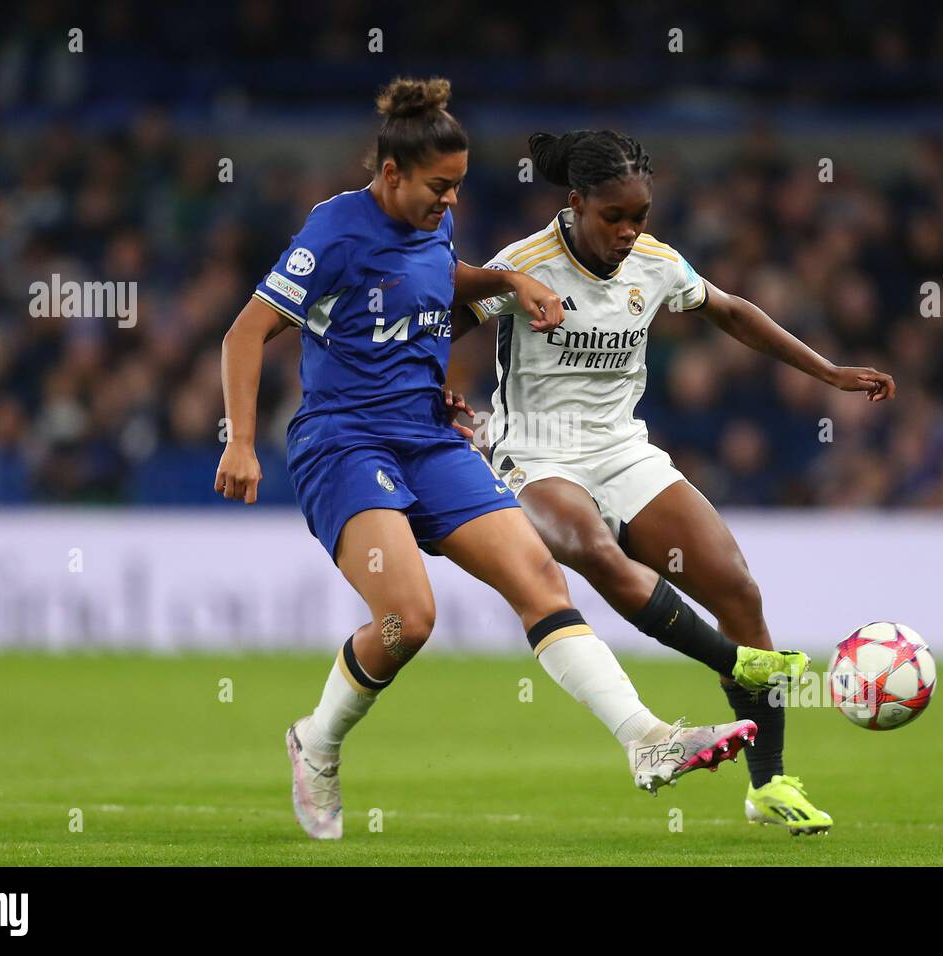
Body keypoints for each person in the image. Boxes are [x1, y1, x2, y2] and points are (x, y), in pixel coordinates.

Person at [215, 82, 761, 841]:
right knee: (410, 620)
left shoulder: (433, 224)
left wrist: (506, 279)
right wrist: (240, 440)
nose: (449, 201)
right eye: (439, 187)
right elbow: (245, 334)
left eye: (459, 187)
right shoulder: (334, 230)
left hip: (431, 438)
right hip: (346, 442)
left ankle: (646, 738)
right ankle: (318, 741)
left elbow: (443, 278)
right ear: (392, 174)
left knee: (540, 577)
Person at [450, 129, 897, 835]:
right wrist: (430, 397)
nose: (629, 232)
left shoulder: (654, 264)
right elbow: (439, 324)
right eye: (615, 218)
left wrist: (829, 371)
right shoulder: (522, 265)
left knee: (739, 588)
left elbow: (731, 311)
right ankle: (738, 666)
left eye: (641, 216)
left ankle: (769, 784)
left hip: (625, 452)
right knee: (595, 551)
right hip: (535, 455)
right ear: (575, 203)